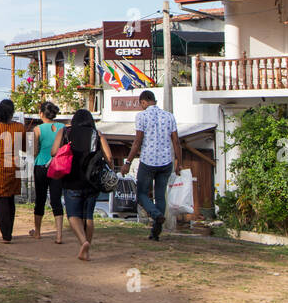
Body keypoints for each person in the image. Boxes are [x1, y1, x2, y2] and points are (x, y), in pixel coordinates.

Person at [51, 108, 113, 261]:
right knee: (88, 216)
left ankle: (83, 242)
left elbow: (53, 152)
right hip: (92, 181)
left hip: (71, 179)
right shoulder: (97, 134)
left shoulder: (65, 132)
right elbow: (110, 157)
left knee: (73, 215)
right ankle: (87, 249)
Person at [120, 90, 182, 241]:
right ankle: (156, 232)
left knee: (141, 195)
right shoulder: (169, 116)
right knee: (160, 195)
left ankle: (156, 215)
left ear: (143, 102)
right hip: (166, 161)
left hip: (148, 161)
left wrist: (127, 162)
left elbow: (137, 141)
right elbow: (176, 141)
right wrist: (179, 162)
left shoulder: (141, 116)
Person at [0, 99, 27, 243]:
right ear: (12, 112)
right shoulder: (19, 127)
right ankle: (9, 232)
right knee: (10, 200)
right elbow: (24, 148)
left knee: (1, 200)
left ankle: (6, 235)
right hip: (14, 168)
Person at [29, 102, 65, 244]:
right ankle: (59, 235)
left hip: (41, 166)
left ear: (41, 113)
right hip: (58, 166)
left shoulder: (37, 129)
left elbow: (35, 151)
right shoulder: (63, 128)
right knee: (56, 199)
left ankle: (37, 232)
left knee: (40, 199)